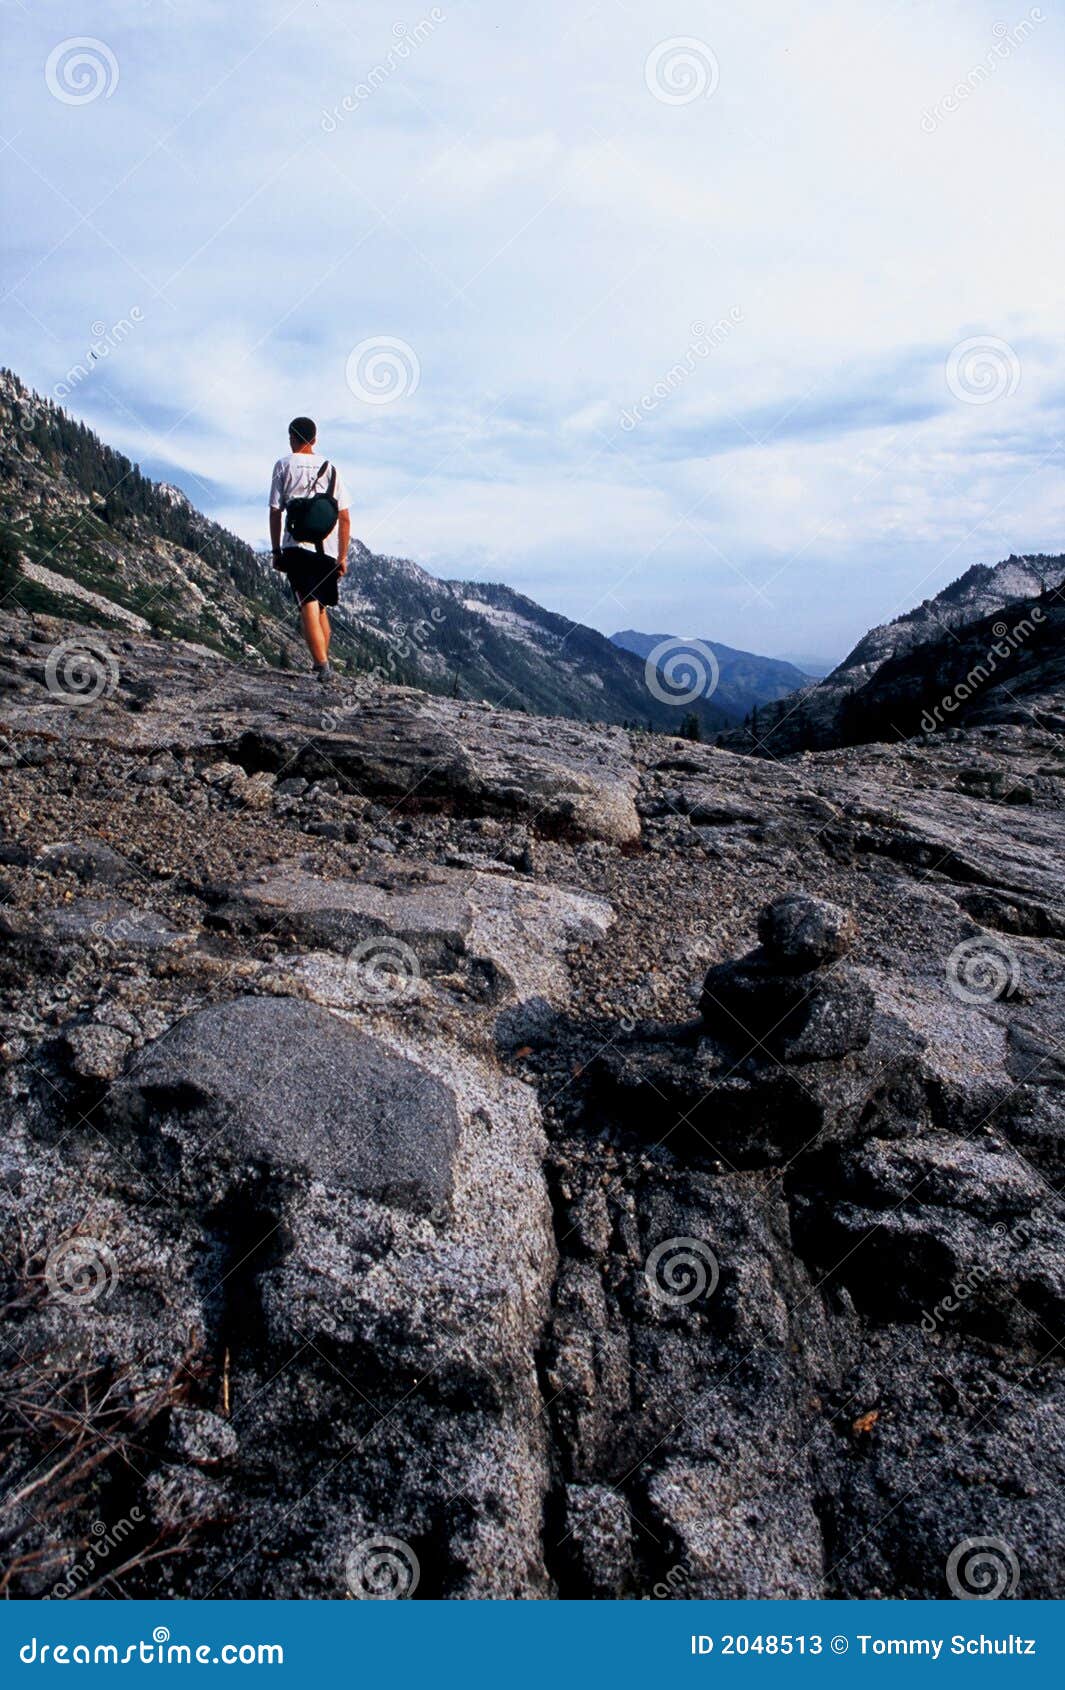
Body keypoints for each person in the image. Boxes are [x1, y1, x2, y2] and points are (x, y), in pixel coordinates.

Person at [269, 416, 351, 682]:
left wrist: (276, 551)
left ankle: (321, 665)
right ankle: (324, 662)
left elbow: (275, 511)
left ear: (291, 437)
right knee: (321, 606)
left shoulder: (283, 465)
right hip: (326, 549)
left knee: (308, 603)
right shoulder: (332, 470)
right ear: (314, 440)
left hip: (297, 546)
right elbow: (344, 517)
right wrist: (342, 556)